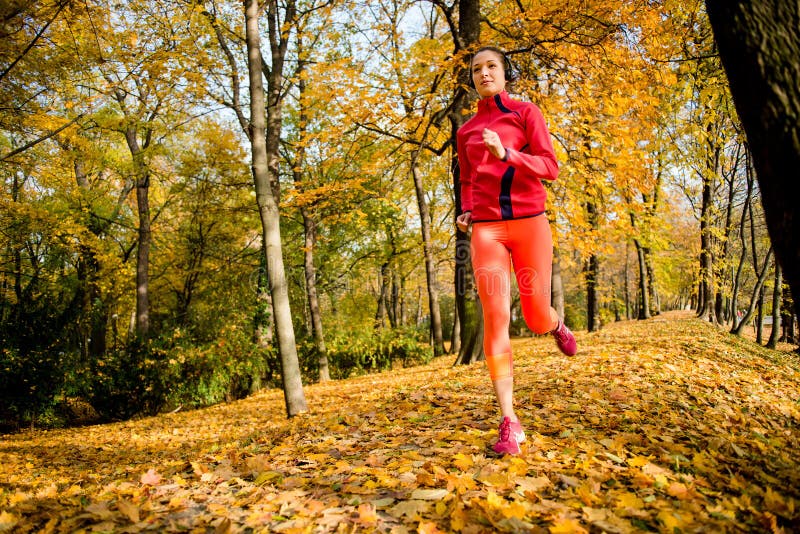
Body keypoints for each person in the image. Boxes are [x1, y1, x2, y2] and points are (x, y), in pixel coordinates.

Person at [456, 46, 578, 455]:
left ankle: (556, 325)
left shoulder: (526, 113)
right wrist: (468, 211)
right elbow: (467, 179)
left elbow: (551, 167)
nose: (484, 73)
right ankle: (509, 420)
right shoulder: (466, 130)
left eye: (491, 66)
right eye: (477, 69)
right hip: (488, 233)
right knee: (495, 317)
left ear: (506, 73)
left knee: (535, 315)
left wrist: (507, 154)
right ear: (471, 78)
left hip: (530, 224)